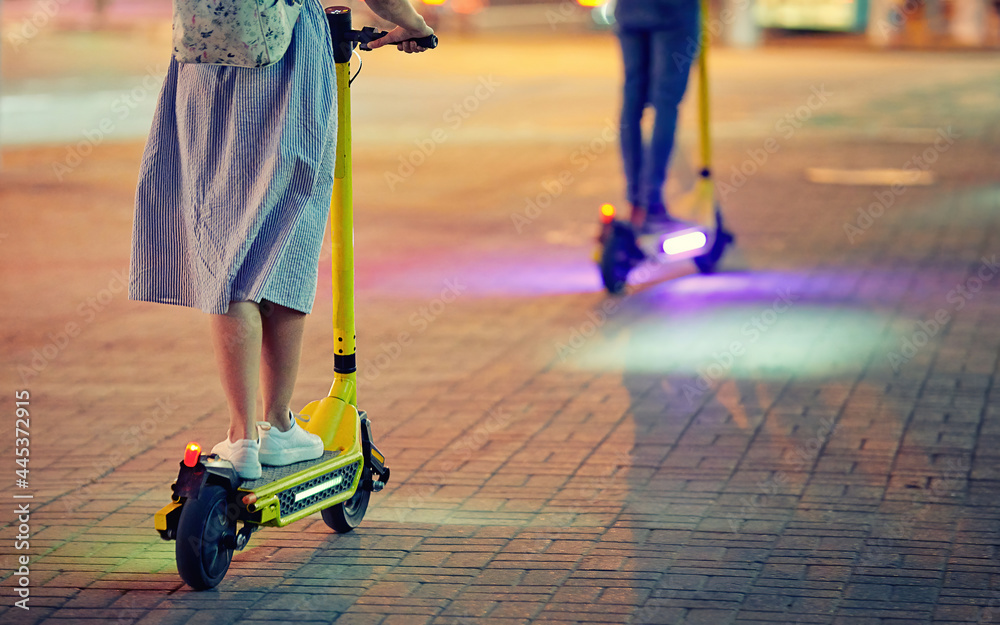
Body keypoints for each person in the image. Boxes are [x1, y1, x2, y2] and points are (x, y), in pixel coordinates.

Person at [129, 0, 434, 479]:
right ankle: (276, 422)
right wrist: (411, 24)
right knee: (285, 241)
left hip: (205, 65)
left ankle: (241, 437)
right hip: (288, 68)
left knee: (225, 246)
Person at [614, 0, 700, 230]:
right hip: (672, 12)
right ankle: (651, 202)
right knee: (666, 102)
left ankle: (635, 202)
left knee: (632, 102)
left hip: (630, 10)